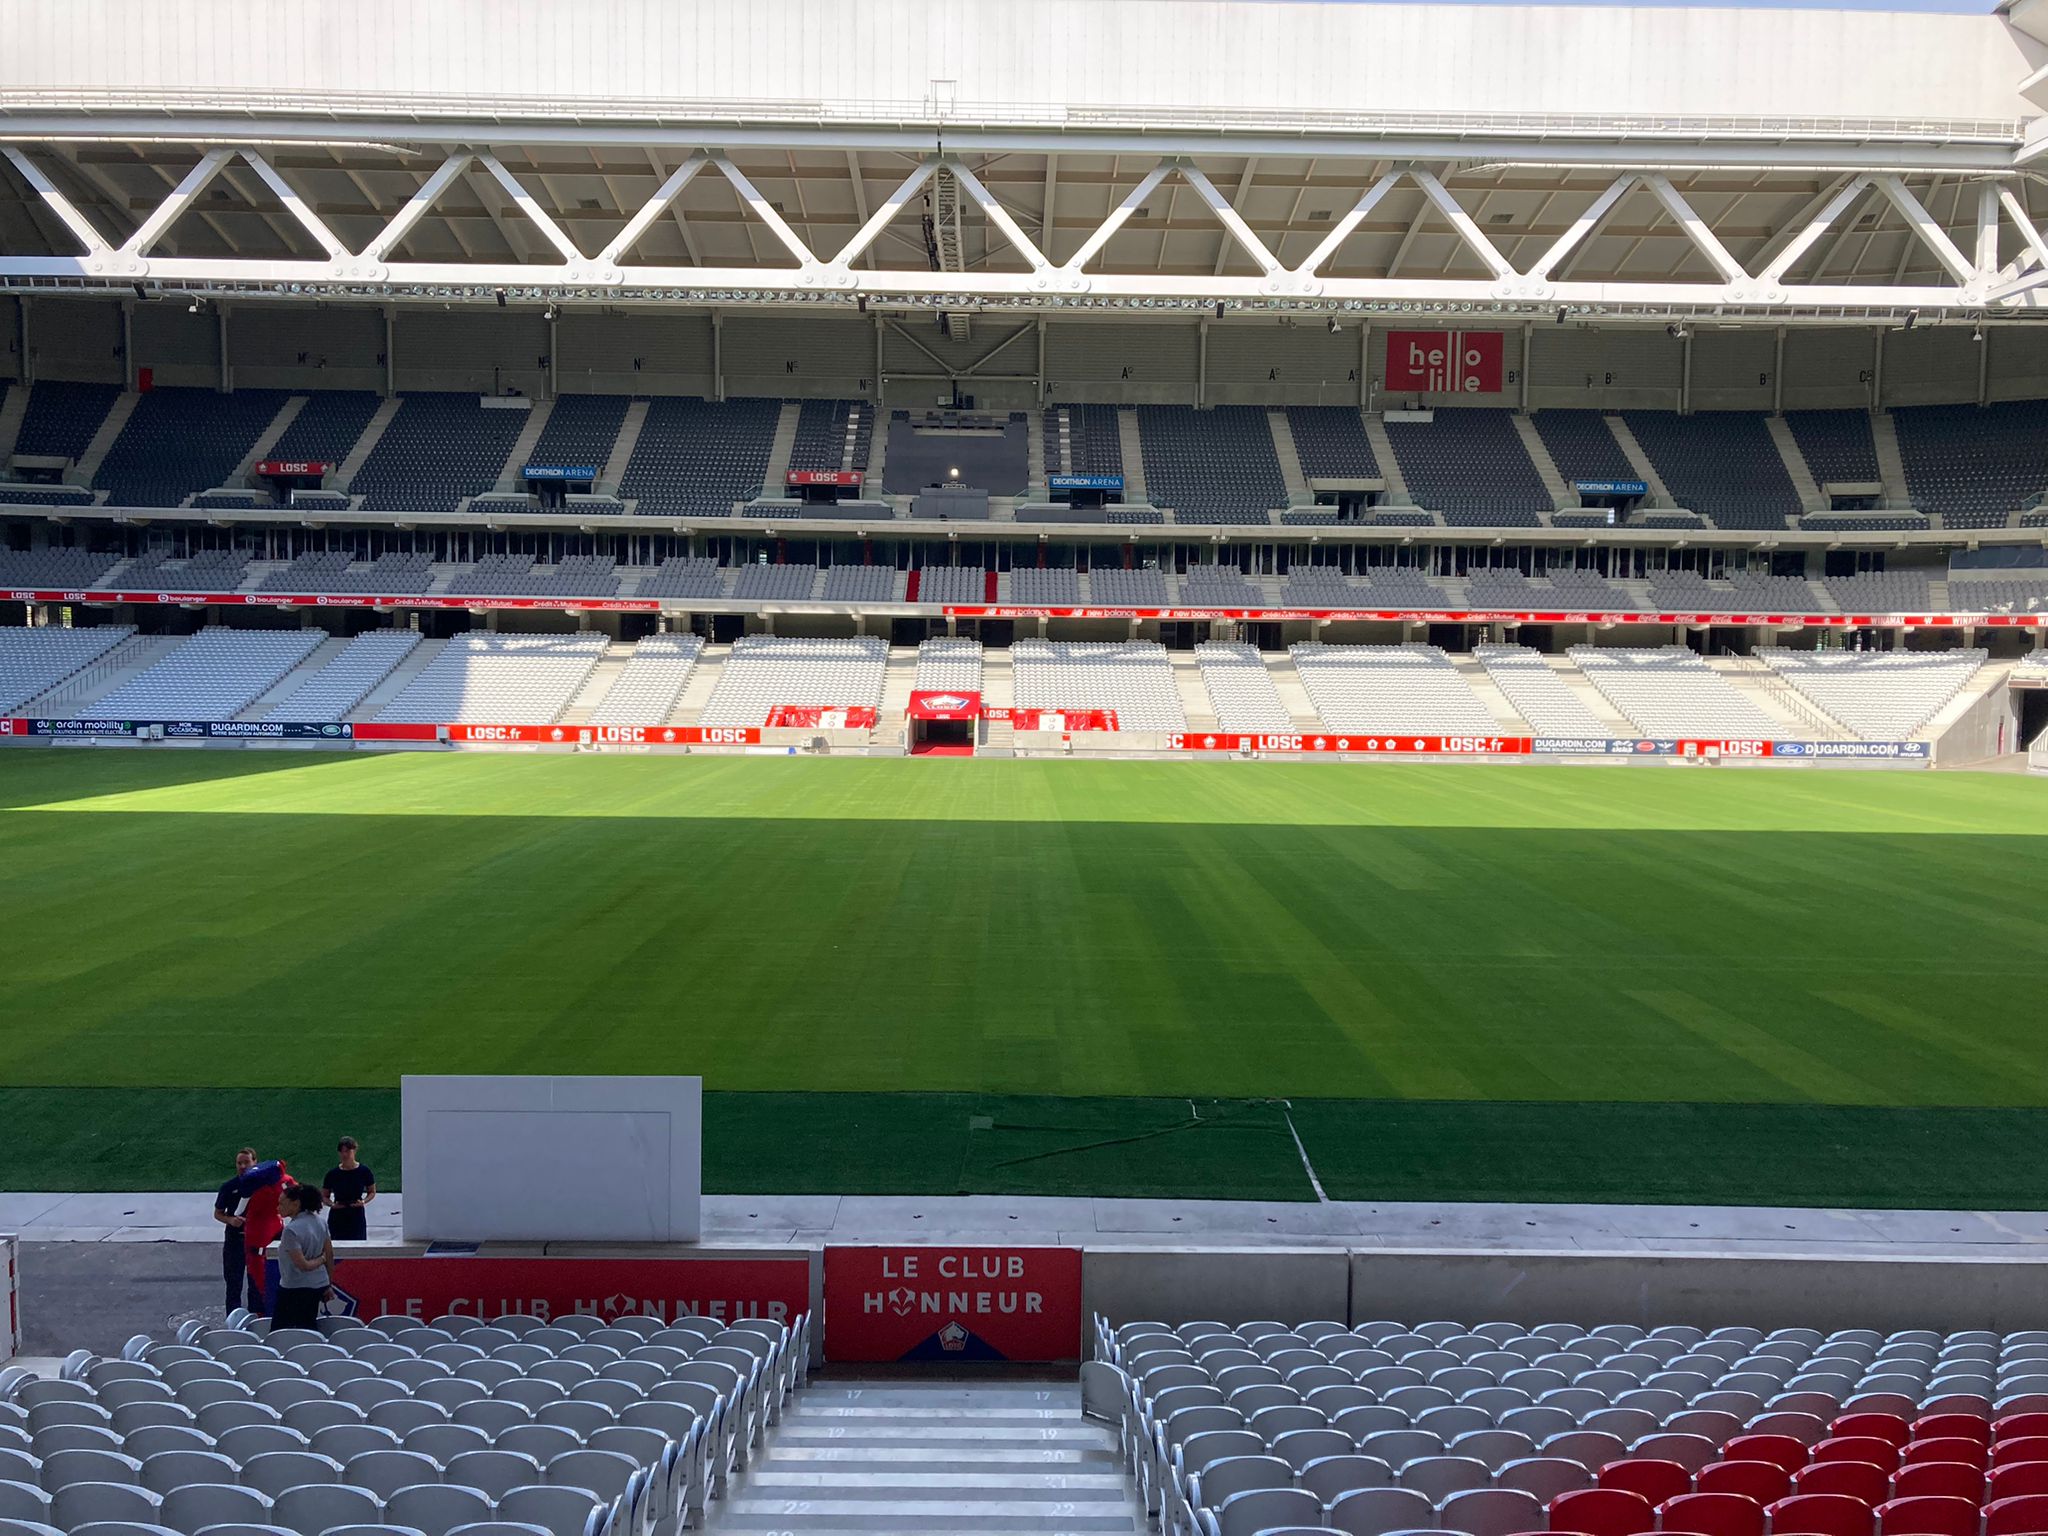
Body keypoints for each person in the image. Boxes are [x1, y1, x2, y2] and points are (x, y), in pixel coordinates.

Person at [271, 1182, 333, 1330]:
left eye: (282, 1203)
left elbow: (303, 1265)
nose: (278, 1207)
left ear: (296, 1204)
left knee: (280, 1332)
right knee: (309, 1328)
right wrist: (328, 1283)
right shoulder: (321, 1222)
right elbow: (330, 1254)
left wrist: (320, 1259)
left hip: (294, 1288)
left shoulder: (291, 1231)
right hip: (318, 1284)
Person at [212, 1147, 257, 1314]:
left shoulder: (261, 1187)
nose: (243, 1166)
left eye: (247, 1162)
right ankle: (233, 1320)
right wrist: (230, 1220)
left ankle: (256, 1317)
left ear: (255, 1162)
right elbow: (218, 1213)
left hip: (256, 1240)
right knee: (233, 1283)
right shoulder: (229, 1187)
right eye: (239, 1163)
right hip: (234, 1240)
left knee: (256, 1282)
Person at [322, 1137, 377, 1242]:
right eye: (342, 1151)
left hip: (356, 1213)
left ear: (354, 1150)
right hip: (338, 1214)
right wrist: (332, 1205)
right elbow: (324, 1195)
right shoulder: (333, 1174)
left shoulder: (364, 1171)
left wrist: (363, 1201)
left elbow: (372, 1191)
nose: (344, 1155)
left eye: (347, 1151)